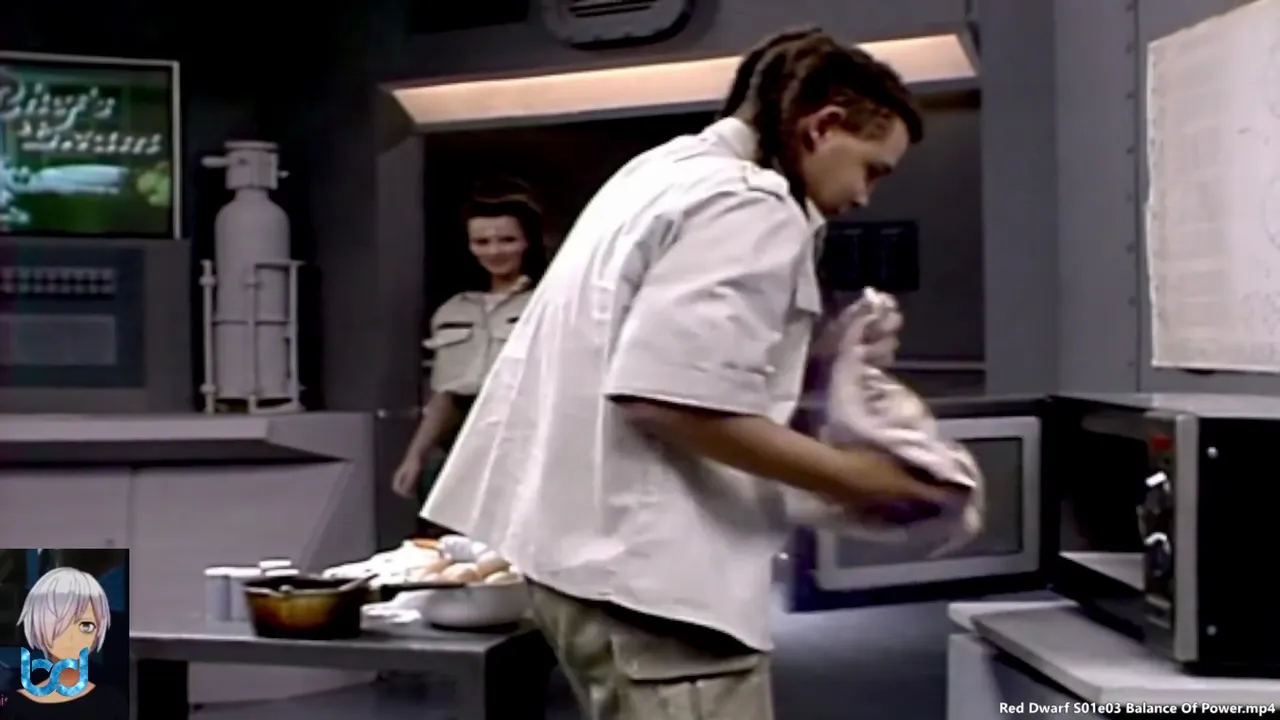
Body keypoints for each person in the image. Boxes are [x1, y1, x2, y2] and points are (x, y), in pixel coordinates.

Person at [422, 28, 945, 720]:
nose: (865, 196)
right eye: (873, 169)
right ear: (822, 127)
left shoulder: (659, 173)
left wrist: (828, 355)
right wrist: (865, 480)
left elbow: (662, 356)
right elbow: (667, 400)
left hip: (577, 563)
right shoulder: (750, 203)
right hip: (652, 585)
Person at [390, 178, 546, 538]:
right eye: (482, 242)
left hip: (526, 437)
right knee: (450, 539)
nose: (495, 251)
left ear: (527, 241)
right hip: (465, 443)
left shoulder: (546, 303)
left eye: (507, 239)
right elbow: (445, 394)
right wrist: (415, 455)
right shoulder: (452, 310)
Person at [5, 567, 127, 719]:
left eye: (86, 626)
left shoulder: (112, 702)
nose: (71, 637)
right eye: (60, 624)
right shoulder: (17, 705)